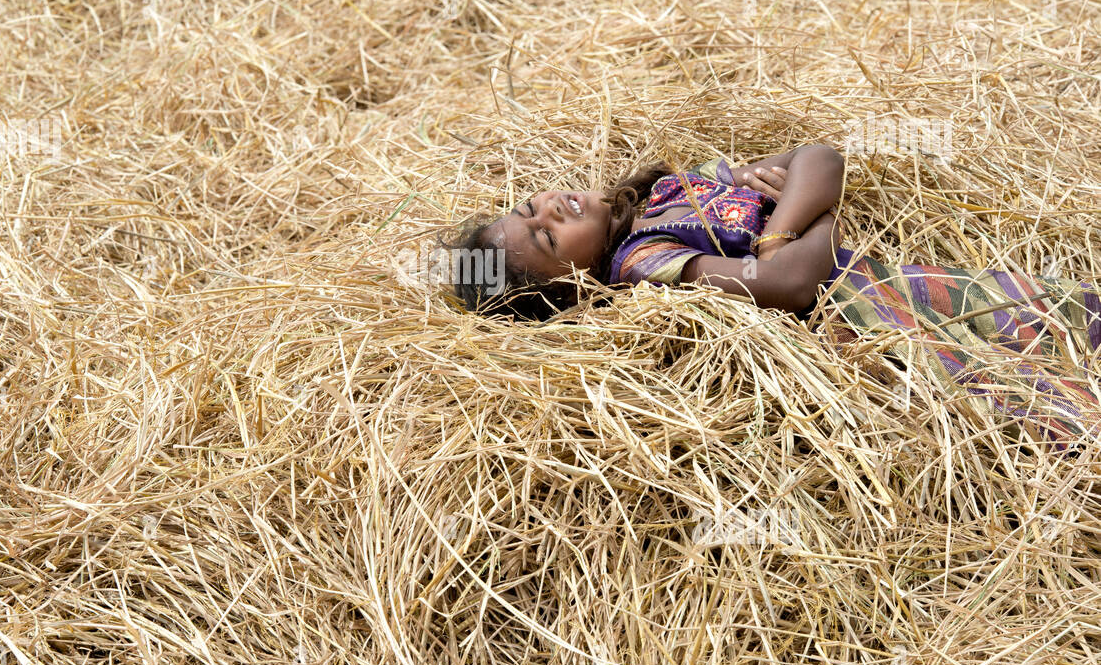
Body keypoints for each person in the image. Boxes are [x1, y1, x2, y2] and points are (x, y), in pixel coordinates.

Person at [440, 143, 1101, 454]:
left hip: (897, 279)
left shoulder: (671, 192)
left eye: (533, 206)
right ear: (577, 285)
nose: (552, 207)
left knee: (1070, 313)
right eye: (549, 237)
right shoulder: (643, 263)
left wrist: (782, 222)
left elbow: (821, 158)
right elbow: (793, 281)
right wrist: (798, 223)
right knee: (1042, 403)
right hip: (870, 328)